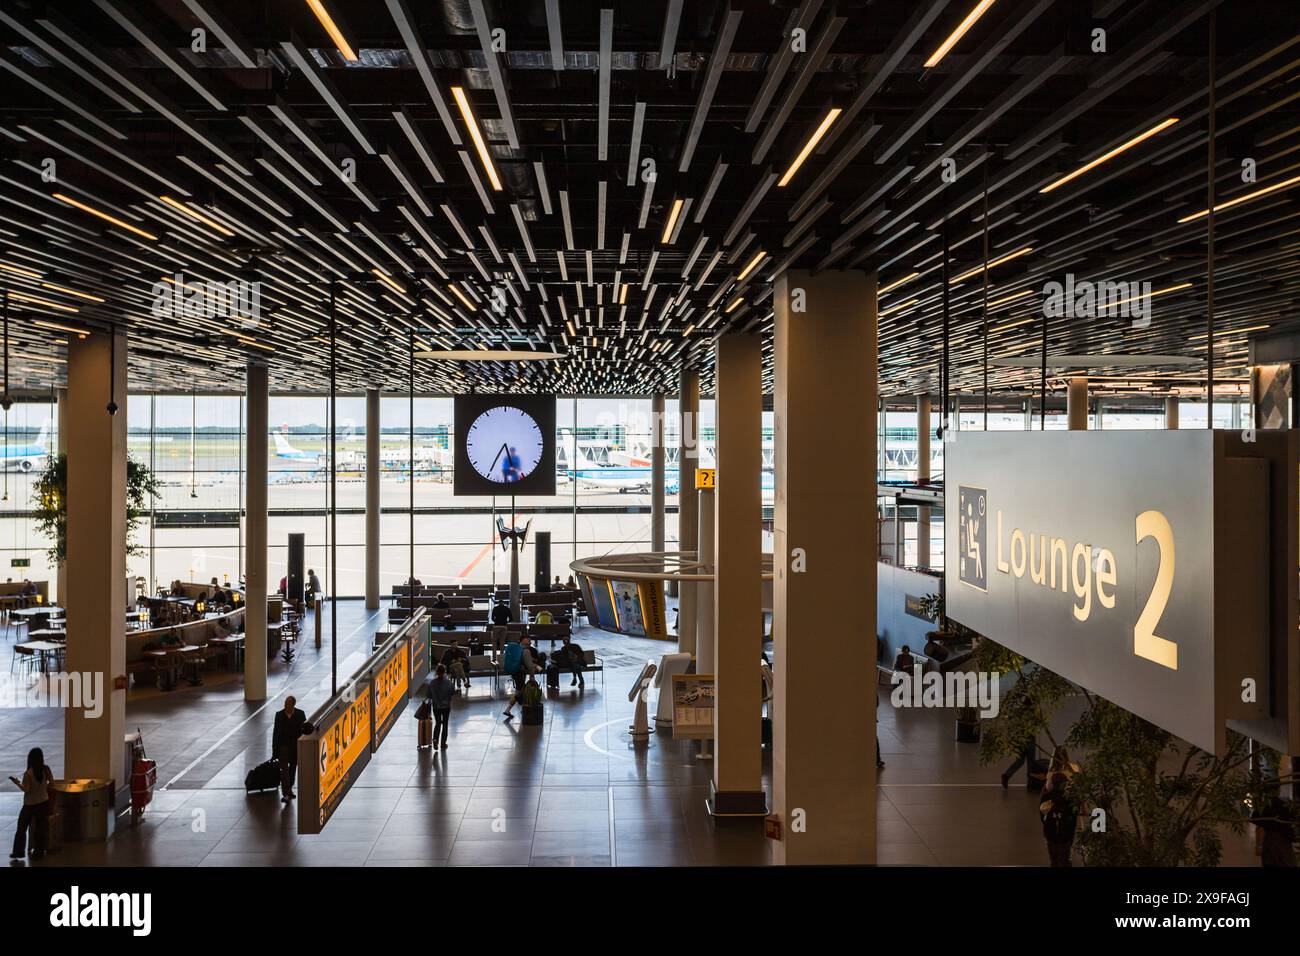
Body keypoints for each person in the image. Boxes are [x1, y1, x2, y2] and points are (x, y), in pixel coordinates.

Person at [9, 747, 53, 860]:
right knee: (40, 829)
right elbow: (52, 783)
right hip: (44, 803)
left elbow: (26, 789)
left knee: (21, 828)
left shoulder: (28, 773)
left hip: (30, 805)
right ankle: (39, 853)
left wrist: (17, 783)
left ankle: (18, 852)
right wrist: (42, 789)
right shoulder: (46, 769)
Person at [272, 696, 310, 804]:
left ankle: (289, 789)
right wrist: (274, 750)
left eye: (288, 704)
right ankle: (286, 793)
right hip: (283, 748)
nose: (286, 706)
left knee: (292, 770)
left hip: (295, 748)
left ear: (293, 705)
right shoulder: (279, 715)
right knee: (284, 771)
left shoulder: (300, 714)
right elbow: (276, 733)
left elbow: (304, 731)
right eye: (285, 703)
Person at [1039, 773, 1078, 866]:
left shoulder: (1046, 797)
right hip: (1065, 834)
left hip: (1051, 833)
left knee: (1053, 859)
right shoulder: (1069, 798)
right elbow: (1073, 818)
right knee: (1064, 859)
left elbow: (1042, 815)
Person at [1253, 787, 1297, 867]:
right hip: (1284, 841)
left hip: (1269, 842)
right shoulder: (1285, 804)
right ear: (1278, 790)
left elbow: (1260, 828)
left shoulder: (1263, 806)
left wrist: (1259, 846)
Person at [501, 637, 535, 720]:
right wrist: (532, 676)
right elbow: (530, 666)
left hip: (514, 672)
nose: (530, 643)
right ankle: (511, 709)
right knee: (520, 691)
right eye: (529, 641)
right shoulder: (525, 651)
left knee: (520, 690)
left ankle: (514, 709)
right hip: (520, 673)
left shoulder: (516, 649)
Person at [427, 664, 454, 750]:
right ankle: (443, 743)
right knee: (445, 724)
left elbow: (428, 695)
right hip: (446, 706)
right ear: (444, 672)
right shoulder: (449, 682)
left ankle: (435, 739)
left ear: (437, 672)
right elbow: (452, 693)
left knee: (438, 723)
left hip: (436, 706)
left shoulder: (432, 683)